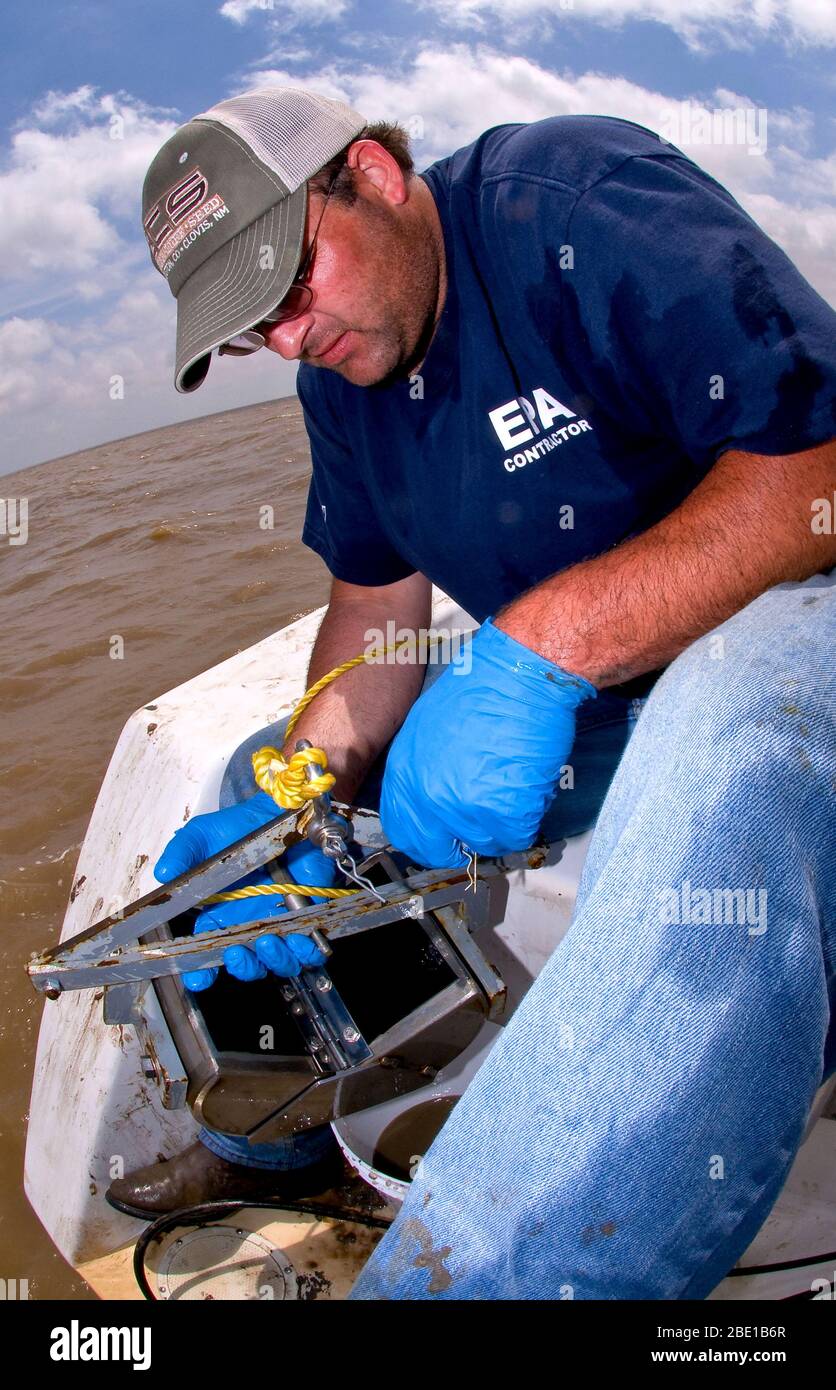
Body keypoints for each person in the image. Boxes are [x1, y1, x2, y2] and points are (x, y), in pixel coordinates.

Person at [108, 87, 836, 1300]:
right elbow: (373, 618)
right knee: (259, 801)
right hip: (584, 701)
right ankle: (271, 1145)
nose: (287, 339)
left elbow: (815, 461)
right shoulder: (339, 382)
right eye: (252, 330)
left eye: (287, 287)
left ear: (375, 176)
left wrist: (542, 642)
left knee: (722, 735)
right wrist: (297, 797)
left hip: (782, 631)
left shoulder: (574, 202)